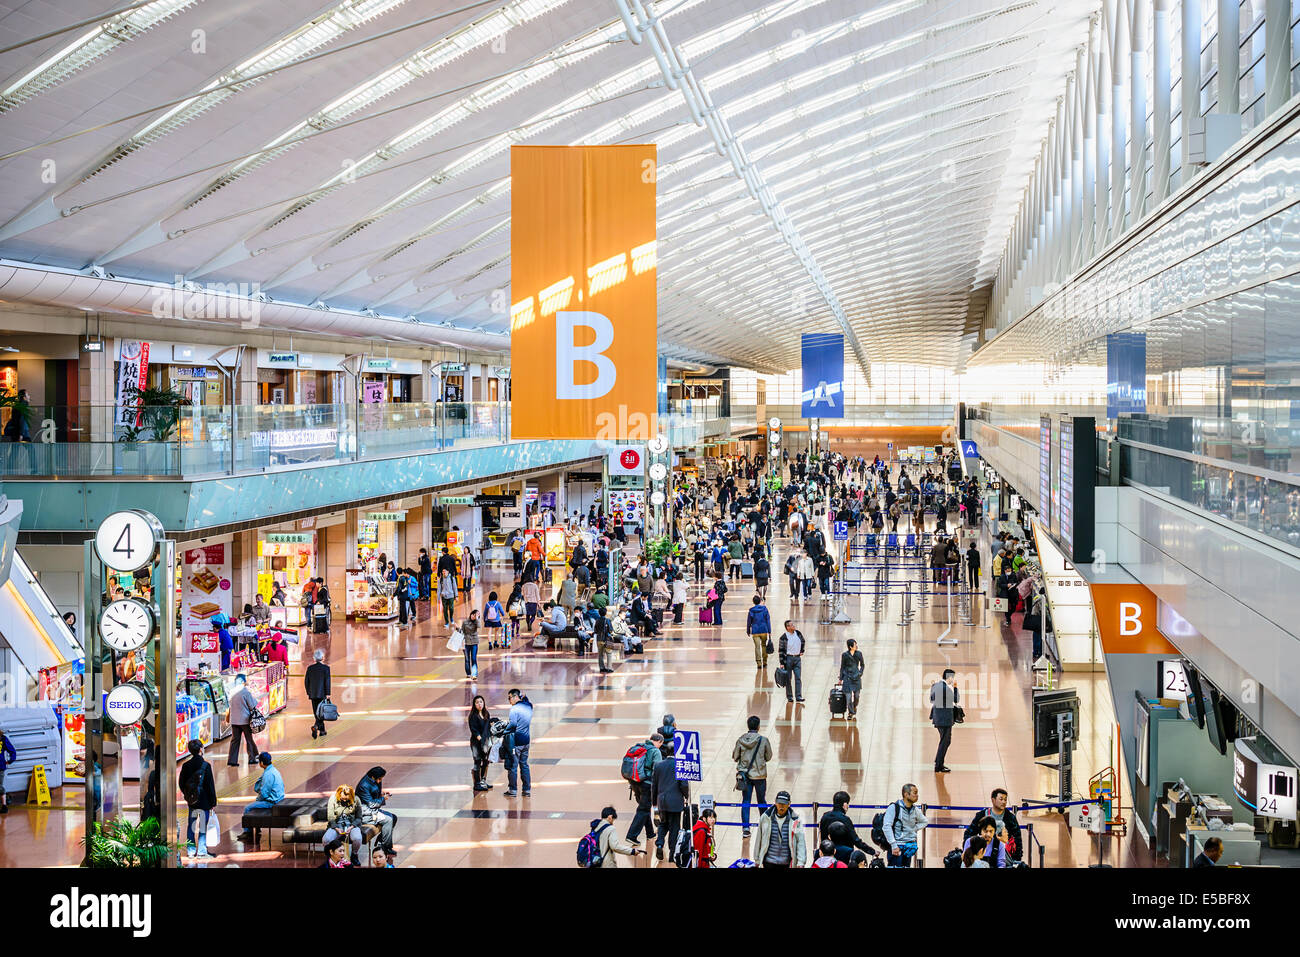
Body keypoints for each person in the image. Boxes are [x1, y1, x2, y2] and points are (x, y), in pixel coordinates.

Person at [732, 716, 773, 838]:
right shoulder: (763, 740)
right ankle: (764, 825)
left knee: (746, 801)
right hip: (760, 775)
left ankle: (745, 828)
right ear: (758, 726)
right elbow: (769, 756)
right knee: (761, 800)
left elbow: (735, 756)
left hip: (745, 776)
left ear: (748, 726)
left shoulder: (741, 740)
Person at [178, 739, 217, 858]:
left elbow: (181, 783)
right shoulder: (206, 766)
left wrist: (187, 795)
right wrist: (213, 802)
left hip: (192, 801)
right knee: (203, 827)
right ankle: (201, 850)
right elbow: (210, 785)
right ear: (201, 749)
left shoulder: (186, 765)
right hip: (204, 802)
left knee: (191, 826)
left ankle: (190, 851)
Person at [651, 743, 689, 862]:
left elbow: (654, 786)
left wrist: (654, 803)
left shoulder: (658, 765)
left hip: (661, 801)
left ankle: (660, 844)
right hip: (675, 802)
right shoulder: (680, 765)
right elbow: (683, 785)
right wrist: (686, 796)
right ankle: (672, 853)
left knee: (663, 824)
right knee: (674, 828)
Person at [963, 788, 1022, 860]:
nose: (1004, 802)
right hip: (983, 855)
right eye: (1001, 799)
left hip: (1003, 855)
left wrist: (1017, 859)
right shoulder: (981, 815)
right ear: (993, 800)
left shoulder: (1010, 818)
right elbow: (969, 833)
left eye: (1005, 799)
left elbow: (1018, 839)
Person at [625, 732, 663, 846]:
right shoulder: (655, 751)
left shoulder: (639, 747)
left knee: (644, 807)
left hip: (634, 782)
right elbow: (657, 770)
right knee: (643, 809)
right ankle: (631, 836)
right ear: (659, 742)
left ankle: (650, 833)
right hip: (647, 783)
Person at [236, 752, 284, 841]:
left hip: (272, 802)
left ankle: (247, 832)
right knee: (255, 804)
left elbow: (264, 793)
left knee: (248, 808)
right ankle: (256, 827)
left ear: (261, 763)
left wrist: (258, 800)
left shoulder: (268, 774)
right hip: (279, 798)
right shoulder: (273, 770)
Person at [818, 790, 876, 861]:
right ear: (845, 804)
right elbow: (856, 840)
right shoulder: (845, 819)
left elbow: (822, 837)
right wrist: (872, 851)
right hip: (844, 856)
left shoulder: (824, 817)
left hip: (826, 855)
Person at [754, 790, 806, 868]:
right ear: (775, 802)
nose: (781, 806)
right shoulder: (765, 818)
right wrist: (757, 859)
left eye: (784, 804)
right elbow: (759, 838)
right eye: (779, 803)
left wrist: (801, 862)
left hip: (786, 863)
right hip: (768, 861)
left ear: (789, 804)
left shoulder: (795, 820)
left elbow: (800, 841)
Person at [881, 783, 928, 867]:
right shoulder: (894, 807)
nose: (917, 795)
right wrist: (893, 845)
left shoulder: (915, 809)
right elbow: (886, 826)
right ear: (906, 794)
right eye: (915, 793)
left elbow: (925, 821)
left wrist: (913, 828)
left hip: (908, 847)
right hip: (897, 847)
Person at [357, 766, 396, 855]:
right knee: (389, 820)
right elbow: (371, 804)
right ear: (373, 777)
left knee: (394, 817)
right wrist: (383, 799)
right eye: (379, 779)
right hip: (365, 813)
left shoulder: (373, 780)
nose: (380, 781)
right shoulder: (364, 785)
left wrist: (381, 794)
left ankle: (382, 841)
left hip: (372, 810)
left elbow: (373, 793)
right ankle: (385, 847)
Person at [502, 688, 533, 797]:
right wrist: (524, 696)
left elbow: (513, 725)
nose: (509, 700)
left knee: (513, 766)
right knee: (524, 765)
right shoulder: (529, 706)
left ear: (515, 697)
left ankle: (512, 790)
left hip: (516, 742)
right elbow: (528, 701)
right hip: (526, 741)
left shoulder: (514, 709)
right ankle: (526, 790)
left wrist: (503, 731)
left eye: (509, 698)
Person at [325, 784, 366, 866]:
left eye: (346, 799)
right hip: (336, 825)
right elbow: (330, 817)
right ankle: (331, 857)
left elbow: (359, 818)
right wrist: (336, 828)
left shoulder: (356, 799)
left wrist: (352, 827)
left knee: (357, 838)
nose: (344, 800)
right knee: (326, 839)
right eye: (342, 798)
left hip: (351, 824)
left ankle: (354, 855)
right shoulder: (332, 799)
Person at [225, 674, 260, 766]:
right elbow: (252, 705)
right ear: (243, 682)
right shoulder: (245, 692)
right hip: (244, 720)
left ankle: (232, 760)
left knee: (235, 740)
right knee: (249, 739)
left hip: (234, 720)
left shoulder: (231, 692)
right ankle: (252, 758)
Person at [930, 668, 959, 772]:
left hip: (938, 718)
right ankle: (939, 765)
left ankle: (938, 761)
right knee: (945, 741)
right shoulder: (945, 688)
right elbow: (956, 699)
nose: (953, 680)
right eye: (953, 678)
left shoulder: (936, 686)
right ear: (949, 677)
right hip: (945, 720)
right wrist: (955, 688)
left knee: (944, 741)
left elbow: (931, 698)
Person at [305, 648, 331, 739]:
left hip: (313, 694)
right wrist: (328, 693)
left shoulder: (310, 668)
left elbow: (306, 682)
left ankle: (322, 731)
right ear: (323, 658)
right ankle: (316, 727)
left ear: (314, 658)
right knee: (321, 713)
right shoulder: (326, 668)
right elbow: (327, 681)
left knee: (316, 712)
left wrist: (309, 692)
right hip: (322, 694)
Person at [468, 694, 493, 791]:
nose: (479, 704)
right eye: (477, 702)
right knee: (477, 761)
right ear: (474, 704)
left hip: (485, 742)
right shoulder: (473, 716)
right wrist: (482, 741)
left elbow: (488, 727)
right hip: (476, 743)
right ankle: (477, 783)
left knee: (486, 761)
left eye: (481, 702)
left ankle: (483, 781)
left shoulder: (486, 714)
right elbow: (474, 731)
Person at [778, 619, 806, 703]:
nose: (794, 626)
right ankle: (790, 697)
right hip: (788, 659)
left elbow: (803, 641)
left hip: (797, 659)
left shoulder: (798, 633)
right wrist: (782, 663)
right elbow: (781, 650)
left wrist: (802, 650)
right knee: (788, 679)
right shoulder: (783, 637)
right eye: (792, 625)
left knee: (798, 678)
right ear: (788, 627)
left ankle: (798, 696)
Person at [839, 638, 864, 719]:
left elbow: (862, 665)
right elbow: (842, 667)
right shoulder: (845, 655)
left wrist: (860, 673)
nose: (856, 646)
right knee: (848, 698)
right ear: (850, 646)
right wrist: (841, 678)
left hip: (856, 677)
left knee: (856, 696)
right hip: (847, 678)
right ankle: (851, 713)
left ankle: (854, 707)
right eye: (855, 644)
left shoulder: (859, 654)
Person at [746, 594, 771, 668]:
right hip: (764, 630)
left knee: (757, 647)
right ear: (760, 601)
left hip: (755, 630)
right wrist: (769, 631)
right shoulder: (765, 609)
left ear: (753, 602)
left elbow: (749, 622)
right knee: (764, 645)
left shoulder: (751, 610)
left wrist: (748, 631)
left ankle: (759, 662)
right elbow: (768, 620)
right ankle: (765, 661)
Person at [460, 610, 480, 677]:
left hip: (474, 642)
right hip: (466, 642)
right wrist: (457, 628)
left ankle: (474, 674)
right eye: (473, 614)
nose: (473, 616)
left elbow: (479, 626)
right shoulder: (465, 622)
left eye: (475, 615)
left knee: (473, 658)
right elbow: (462, 631)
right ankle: (468, 673)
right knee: (467, 659)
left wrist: (477, 619)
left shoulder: (476, 623)